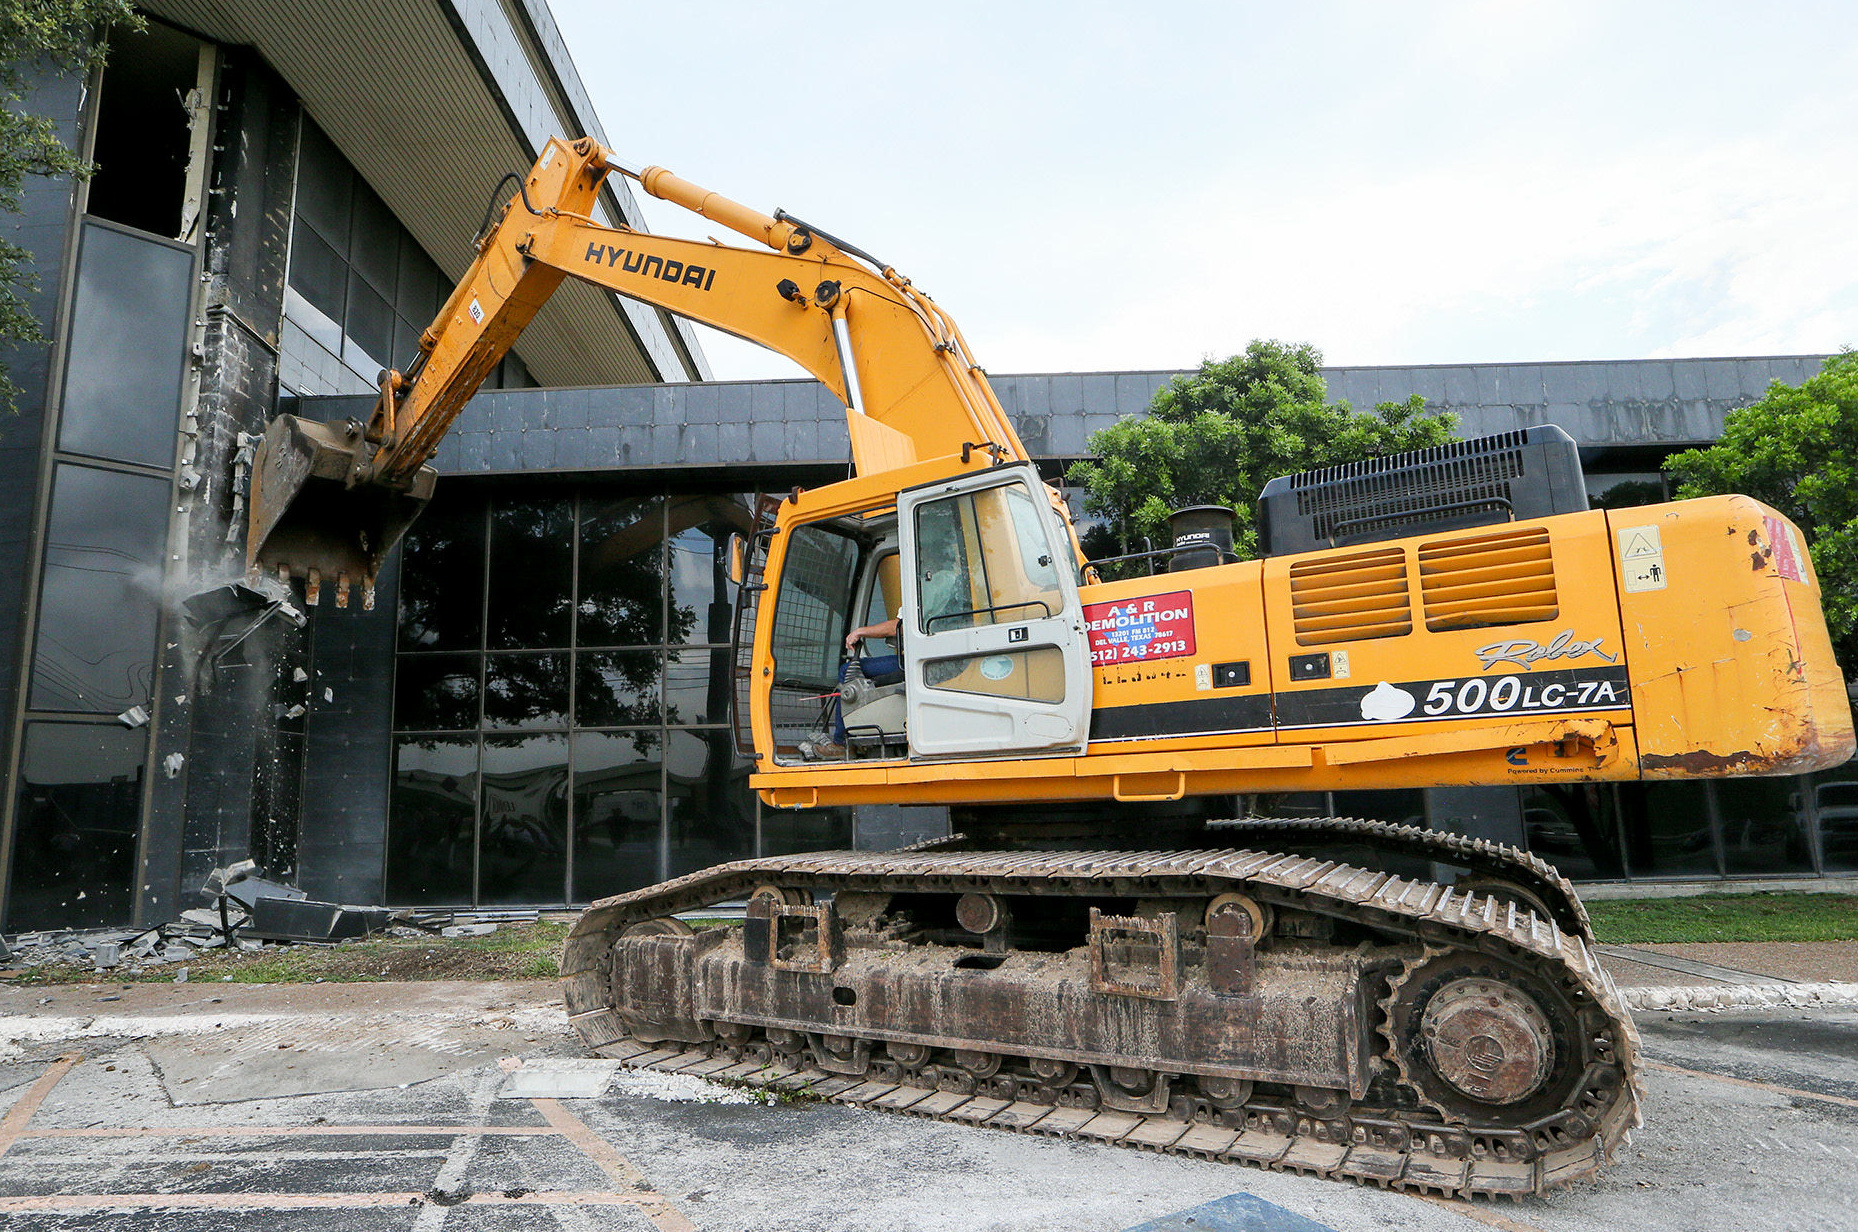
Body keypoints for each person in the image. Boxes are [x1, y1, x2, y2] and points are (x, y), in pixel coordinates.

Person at [801, 617, 905, 759]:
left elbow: (897, 627)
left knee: (847, 670)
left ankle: (842, 744)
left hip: (912, 660)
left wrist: (860, 632)